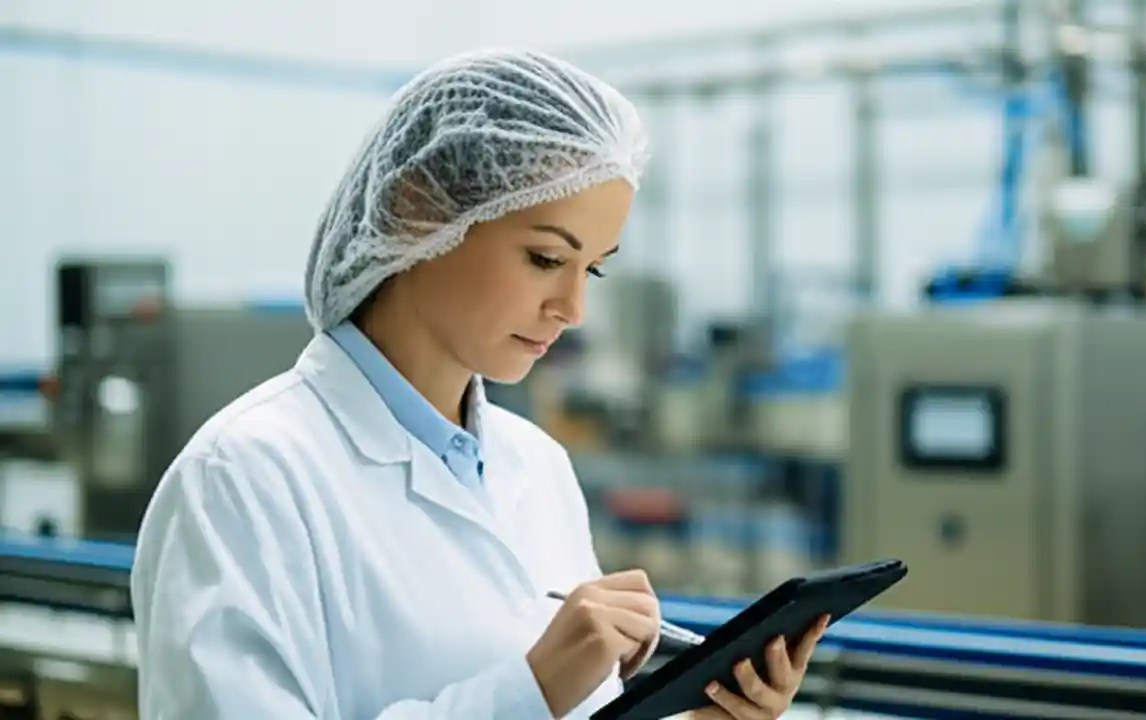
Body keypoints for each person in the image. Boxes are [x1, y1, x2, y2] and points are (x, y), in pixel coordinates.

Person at [130, 48, 829, 719]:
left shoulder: (538, 467)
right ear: (418, 210)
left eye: (593, 269)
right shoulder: (245, 478)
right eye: (545, 256)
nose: (572, 309)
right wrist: (530, 690)